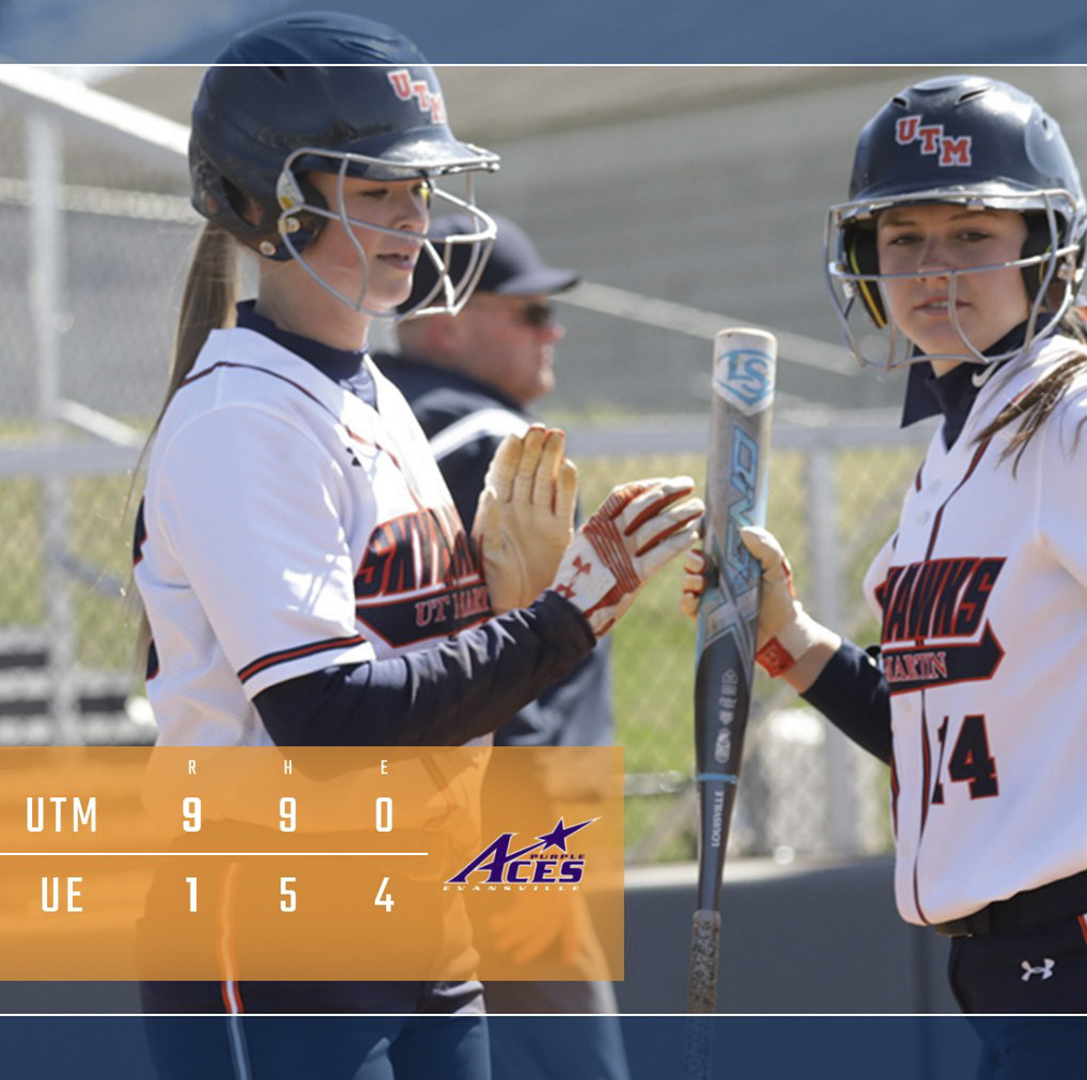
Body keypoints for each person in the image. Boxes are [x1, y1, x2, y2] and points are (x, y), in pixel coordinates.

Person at [682, 74, 1087, 1065]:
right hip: (1024, 971)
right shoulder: (955, 448)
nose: (931, 267)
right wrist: (791, 638)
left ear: (1051, 249)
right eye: (902, 237)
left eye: (972, 233)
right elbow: (943, 742)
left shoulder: (1086, 420)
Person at [129, 14, 700, 1079]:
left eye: (420, 187)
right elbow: (327, 718)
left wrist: (513, 601)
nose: (413, 216)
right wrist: (558, 622)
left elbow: (424, 680)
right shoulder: (242, 417)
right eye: (376, 186)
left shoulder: (374, 396)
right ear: (264, 202)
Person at [379, 216, 629, 1080]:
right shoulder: (496, 447)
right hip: (508, 849)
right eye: (529, 313)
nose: (551, 332)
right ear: (446, 324)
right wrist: (529, 852)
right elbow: (510, 660)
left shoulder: (359, 433)